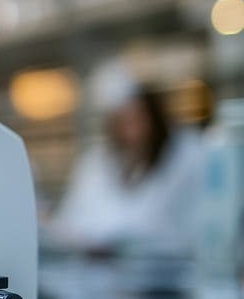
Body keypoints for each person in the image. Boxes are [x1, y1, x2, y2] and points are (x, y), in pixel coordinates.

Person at [48, 88, 203, 256]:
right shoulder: (100, 162)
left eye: (137, 119)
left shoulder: (184, 156)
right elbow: (71, 221)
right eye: (124, 121)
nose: (132, 131)